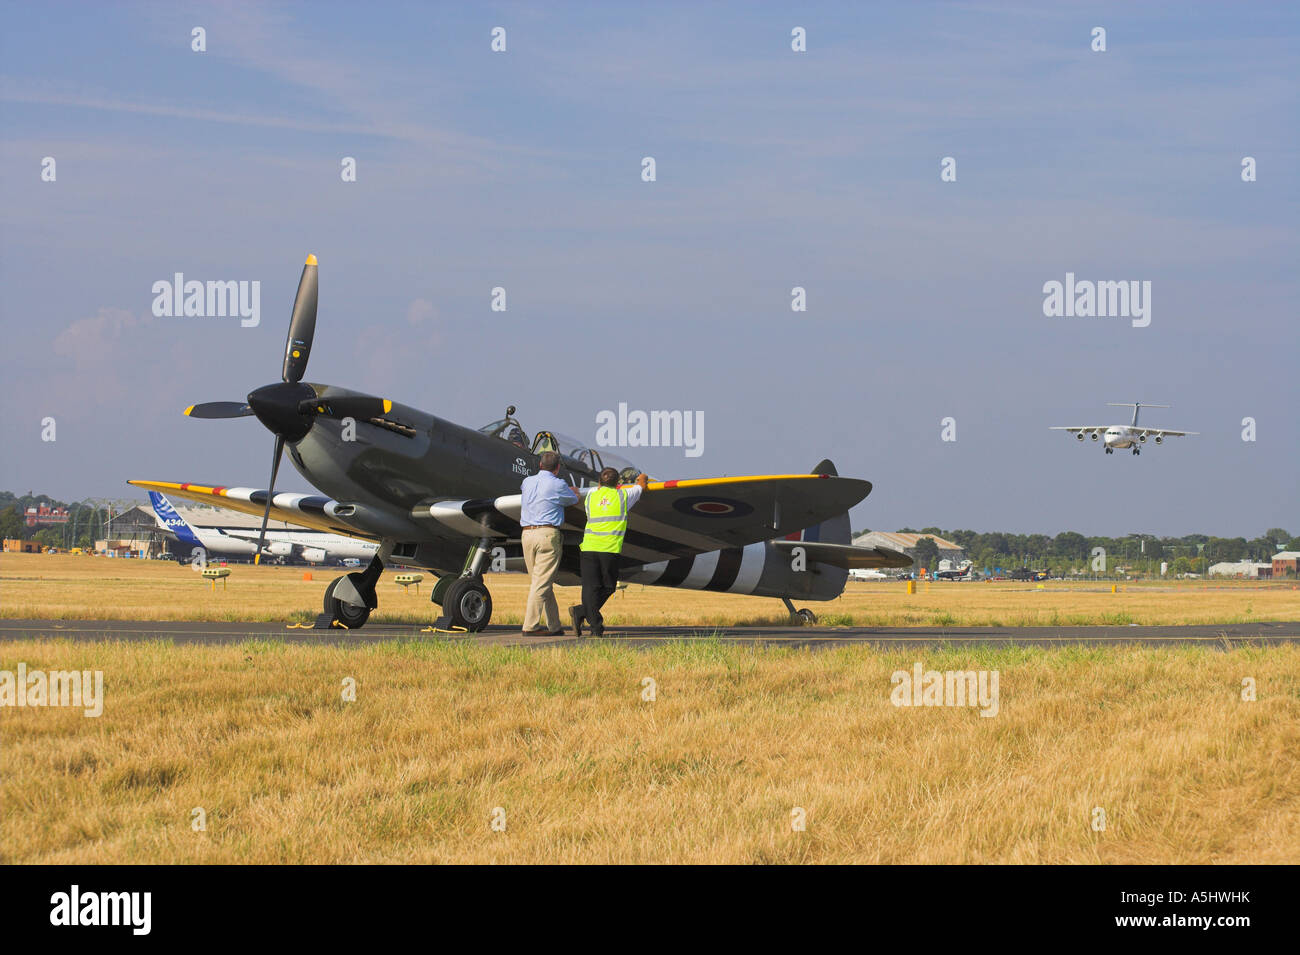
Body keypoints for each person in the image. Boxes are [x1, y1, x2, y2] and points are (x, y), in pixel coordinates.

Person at [570, 467, 649, 637]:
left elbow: (581, 493)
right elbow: (641, 484)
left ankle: (581, 612)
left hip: (589, 547)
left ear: (599, 483)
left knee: (590, 589)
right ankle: (596, 627)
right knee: (608, 587)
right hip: (609, 550)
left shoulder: (590, 495)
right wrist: (642, 476)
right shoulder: (624, 496)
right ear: (618, 484)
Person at [519, 451, 579, 635]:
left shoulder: (526, 482)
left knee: (541, 582)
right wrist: (573, 491)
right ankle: (530, 626)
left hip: (526, 535)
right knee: (541, 584)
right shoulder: (558, 484)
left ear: (540, 465)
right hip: (547, 535)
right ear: (558, 467)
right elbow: (574, 499)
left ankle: (554, 626)